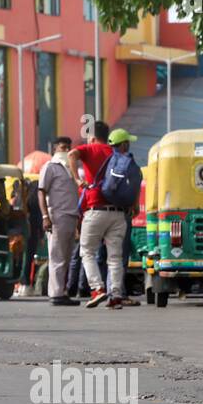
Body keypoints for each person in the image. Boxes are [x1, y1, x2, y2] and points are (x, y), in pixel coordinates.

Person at [70, 124, 137, 309]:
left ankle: (97, 288)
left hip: (96, 210)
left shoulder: (90, 149)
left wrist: (76, 178)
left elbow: (71, 155)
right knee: (115, 257)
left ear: (93, 136)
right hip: (118, 214)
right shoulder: (119, 155)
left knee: (87, 251)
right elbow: (134, 181)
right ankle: (115, 294)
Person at [38, 137, 81, 306]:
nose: (66, 151)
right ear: (55, 149)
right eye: (63, 147)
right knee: (57, 256)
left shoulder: (71, 168)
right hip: (57, 216)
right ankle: (55, 293)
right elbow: (41, 191)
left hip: (71, 216)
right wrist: (45, 217)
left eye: (68, 148)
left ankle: (61, 291)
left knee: (66, 256)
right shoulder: (50, 167)